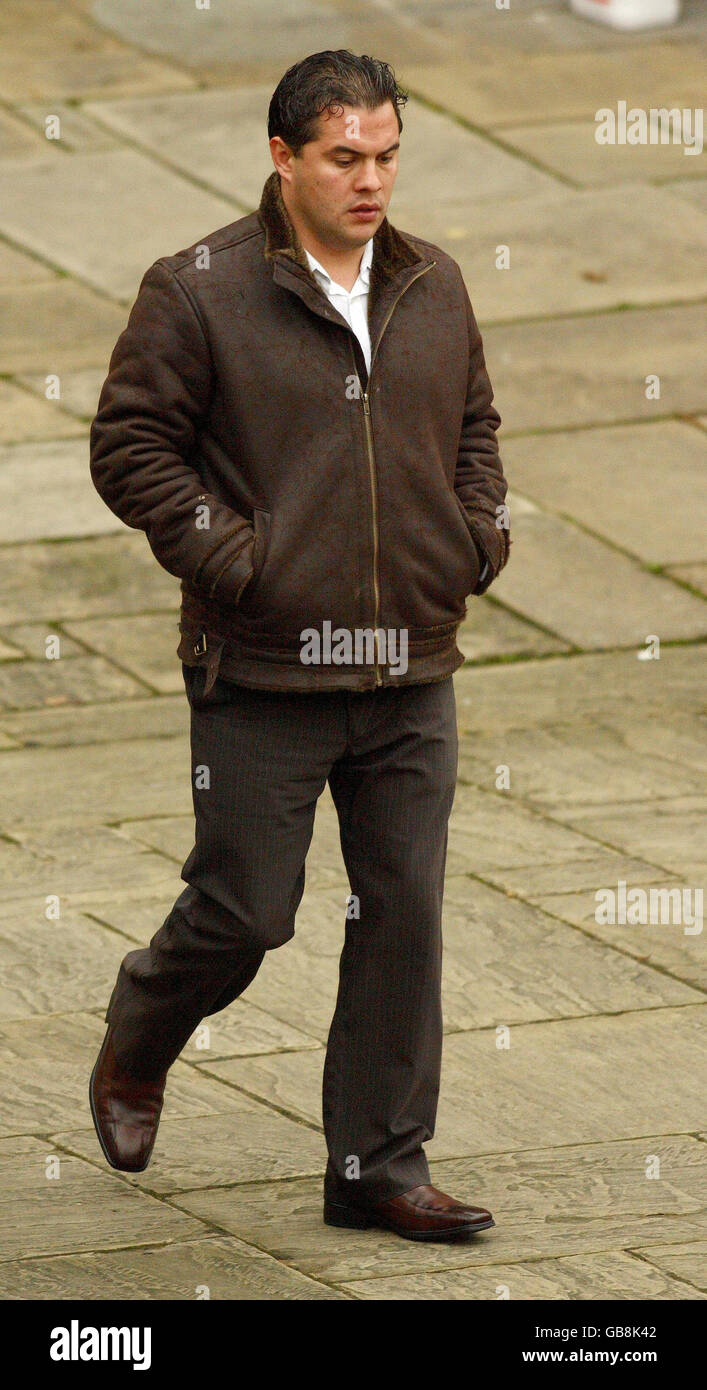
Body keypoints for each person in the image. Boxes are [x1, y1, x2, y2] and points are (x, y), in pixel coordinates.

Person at [88, 49, 510, 1243]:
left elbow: (472, 424)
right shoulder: (198, 290)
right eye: (343, 158)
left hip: (411, 660)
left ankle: (376, 1163)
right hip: (263, 670)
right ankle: (143, 1028)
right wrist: (238, 560)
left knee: (404, 913)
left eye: (384, 156)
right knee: (245, 910)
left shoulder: (431, 282)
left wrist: (475, 535)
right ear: (283, 158)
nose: (370, 180)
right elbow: (130, 450)